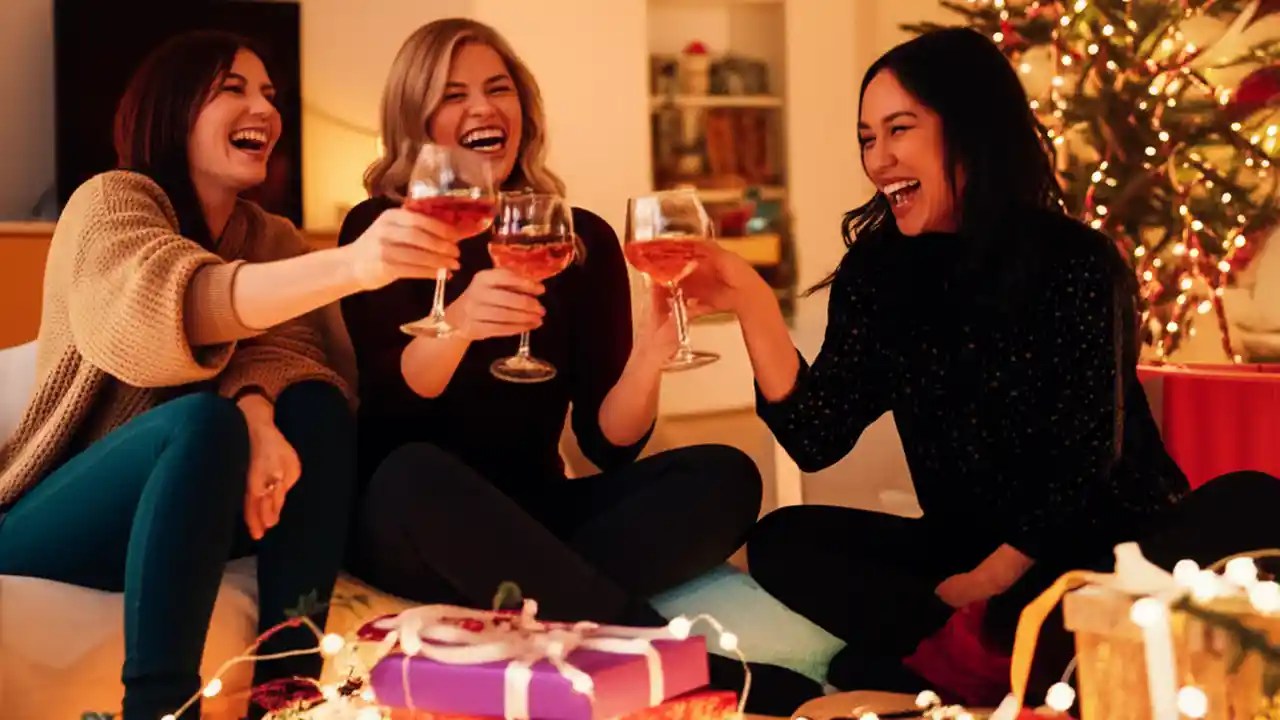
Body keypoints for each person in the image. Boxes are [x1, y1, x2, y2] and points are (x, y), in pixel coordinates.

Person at [678, 27, 1280, 700]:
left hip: (1099, 547)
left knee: (1254, 499)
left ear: (967, 129)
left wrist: (988, 580)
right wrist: (751, 304)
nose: (878, 160)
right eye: (867, 138)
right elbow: (816, 437)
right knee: (785, 539)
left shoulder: (1077, 264)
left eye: (898, 129)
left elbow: (1085, 465)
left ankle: (967, 653)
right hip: (961, 552)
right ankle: (1002, 653)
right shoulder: (880, 275)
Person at [337, 18, 815, 713]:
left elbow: (606, 443)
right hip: (411, 522)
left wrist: (649, 356)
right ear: (416, 120)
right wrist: (463, 322)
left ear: (523, 110)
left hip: (538, 511)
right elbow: (396, 400)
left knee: (725, 475)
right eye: (453, 93)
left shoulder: (579, 237)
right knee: (413, 472)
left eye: (498, 89)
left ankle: (537, 598)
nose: (482, 108)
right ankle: (678, 662)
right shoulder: (380, 228)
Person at [0, 31, 458, 720]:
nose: (265, 109)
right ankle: (159, 709)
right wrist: (354, 265)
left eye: (270, 94)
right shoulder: (108, 204)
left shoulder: (269, 235)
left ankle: (286, 692)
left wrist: (257, 406)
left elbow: (298, 354)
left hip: (204, 507)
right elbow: (164, 310)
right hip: (58, 519)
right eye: (234, 89)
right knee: (200, 423)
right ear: (174, 108)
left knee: (315, 406)